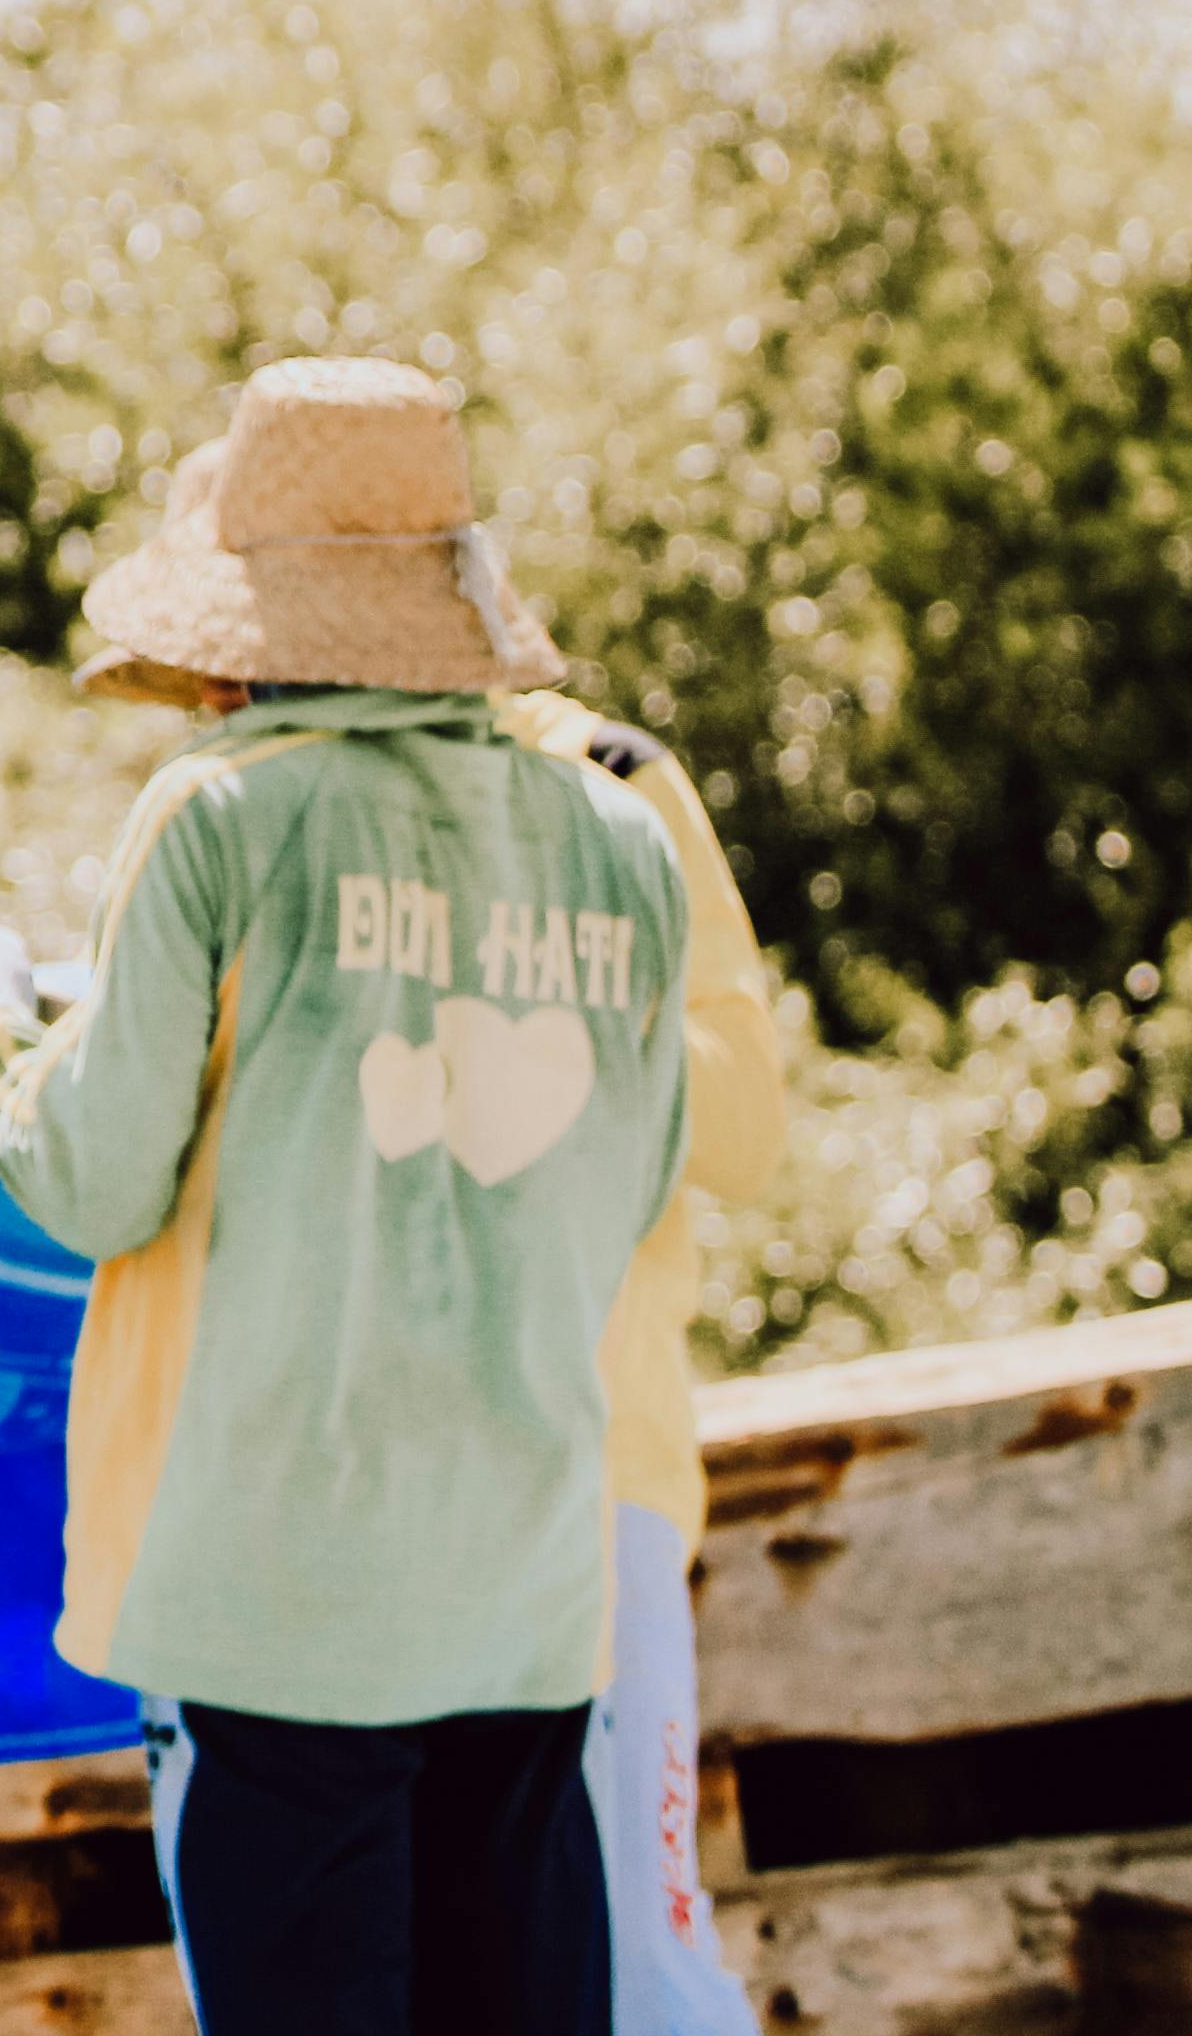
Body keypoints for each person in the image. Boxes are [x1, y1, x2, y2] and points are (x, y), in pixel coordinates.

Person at [0, 358, 691, 2036]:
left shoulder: (215, 817)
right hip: (521, 1601)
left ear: (235, 623)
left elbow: (89, 1174)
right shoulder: (616, 842)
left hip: (276, 1611)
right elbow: (629, 1181)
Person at [497, 684, 781, 2036]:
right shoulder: (260, 795)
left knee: (650, 1981)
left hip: (598, 1466)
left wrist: (538, 996)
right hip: (365, 1511)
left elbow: (745, 1119)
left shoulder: (612, 779)